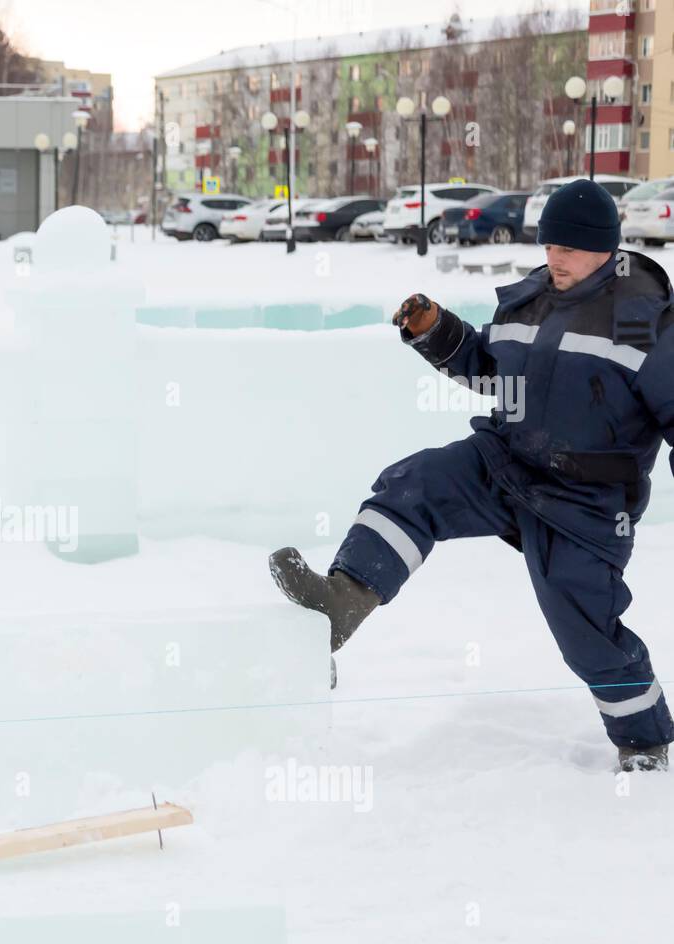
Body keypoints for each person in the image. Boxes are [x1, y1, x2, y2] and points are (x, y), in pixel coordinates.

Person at [271, 179, 674, 773]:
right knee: (416, 484)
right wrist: (438, 330)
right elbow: (491, 371)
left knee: (584, 628)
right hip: (505, 461)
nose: (553, 258)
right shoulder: (532, 298)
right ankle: (342, 603)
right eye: (548, 245)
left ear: (606, 250)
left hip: (585, 501)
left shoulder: (648, 321)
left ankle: (643, 741)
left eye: (568, 248)